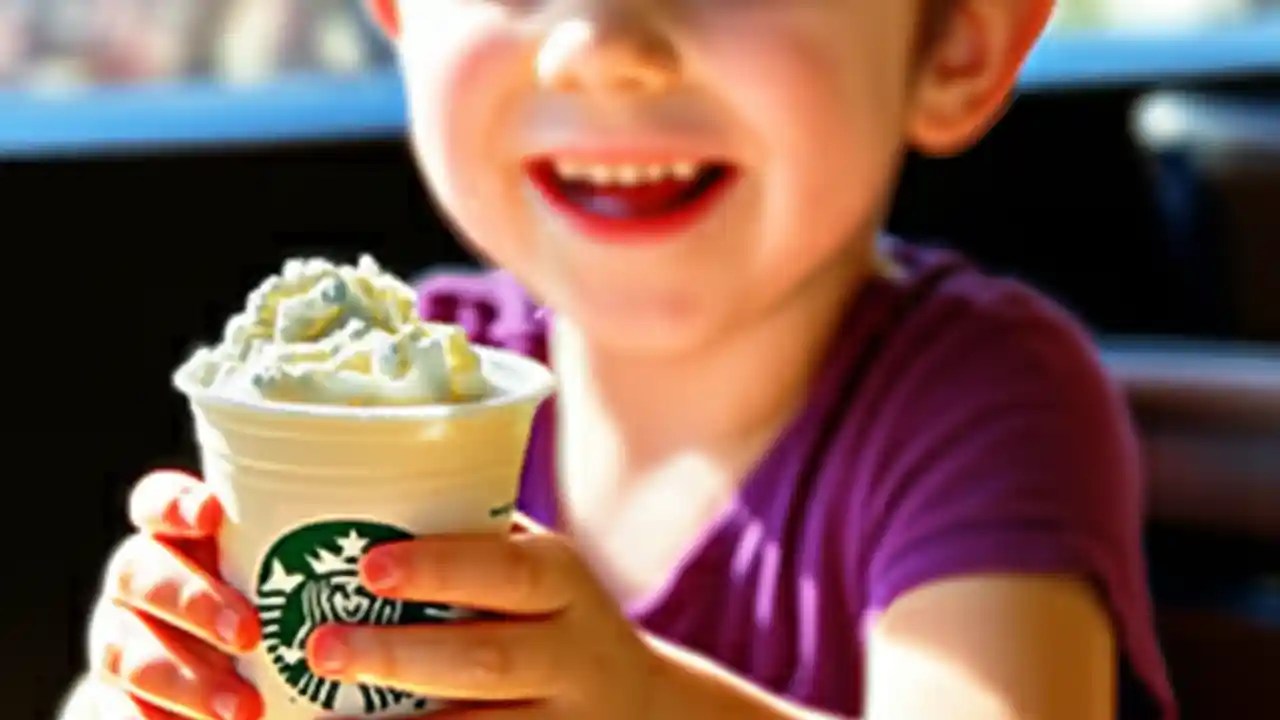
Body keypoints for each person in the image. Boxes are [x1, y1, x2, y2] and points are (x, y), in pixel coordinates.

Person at [62, 0, 1178, 718]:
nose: (602, 48)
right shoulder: (391, 389)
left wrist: (641, 704)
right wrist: (170, 679)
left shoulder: (979, 405)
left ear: (956, 43)